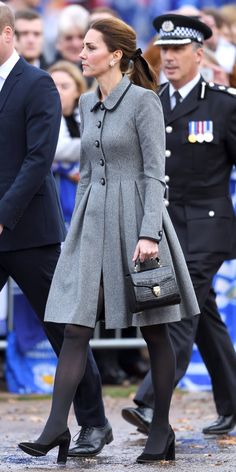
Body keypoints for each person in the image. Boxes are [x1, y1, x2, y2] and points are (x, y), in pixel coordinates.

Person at [18, 17, 199, 465]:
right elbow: (86, 176)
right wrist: (75, 227)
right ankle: (58, 425)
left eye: (90, 46)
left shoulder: (144, 104)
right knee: (75, 326)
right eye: (81, 45)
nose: (81, 53)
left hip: (139, 225)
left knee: (155, 331)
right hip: (92, 224)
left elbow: (155, 173)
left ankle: (161, 430)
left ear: (115, 54)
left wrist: (148, 233)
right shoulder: (84, 103)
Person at [0, 2, 112, 458]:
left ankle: (93, 423)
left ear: (8, 34)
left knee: (62, 330)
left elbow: (38, 158)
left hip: (30, 231)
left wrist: (4, 214)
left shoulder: (37, 83)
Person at [121, 13, 236, 437]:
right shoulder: (148, 99)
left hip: (208, 227)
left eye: (178, 49)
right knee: (205, 317)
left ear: (199, 53)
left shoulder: (225, 104)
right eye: (164, 49)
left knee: (181, 309)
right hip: (166, 226)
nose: (168, 57)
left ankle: (151, 401)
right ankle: (233, 403)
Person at [49, 60, 86, 225]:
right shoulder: (41, 118)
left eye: (64, 87)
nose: (57, 91)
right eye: (53, 86)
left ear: (78, 90)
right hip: (57, 198)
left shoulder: (87, 116)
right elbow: (55, 149)